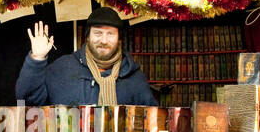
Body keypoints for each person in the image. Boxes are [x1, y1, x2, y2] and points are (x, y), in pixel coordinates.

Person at [15, 7, 157, 106]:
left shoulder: (135, 78)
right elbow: (28, 102)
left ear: (119, 39)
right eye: (98, 33)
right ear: (87, 37)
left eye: (110, 34)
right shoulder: (61, 68)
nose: (104, 40)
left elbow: (151, 122)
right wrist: (37, 59)